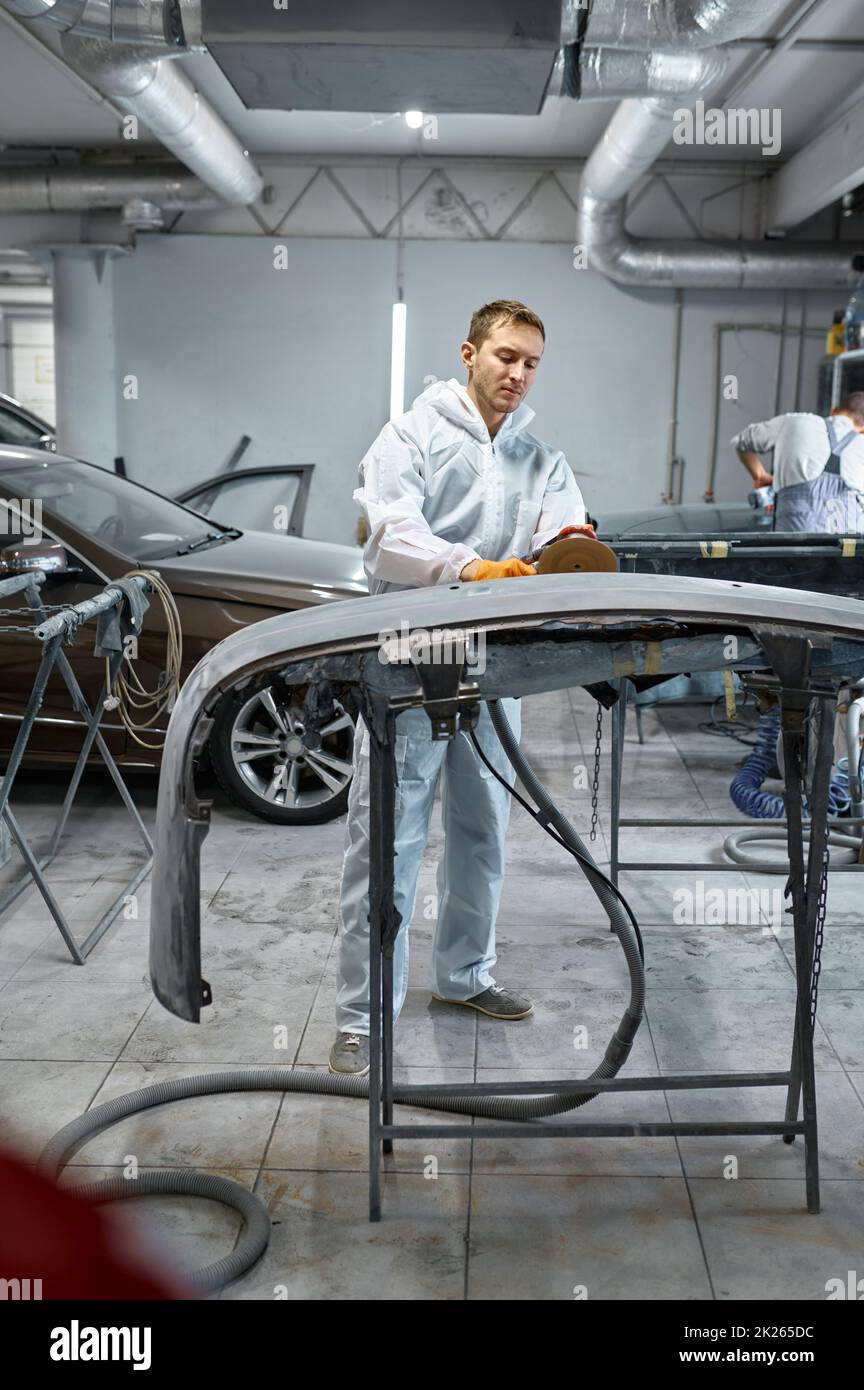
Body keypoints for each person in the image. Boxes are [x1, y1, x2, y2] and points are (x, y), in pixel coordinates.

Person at [329, 299, 593, 1075]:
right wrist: (469, 566)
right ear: (469, 352)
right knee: (387, 838)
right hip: (410, 657)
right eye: (506, 355)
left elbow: (562, 526)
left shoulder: (540, 456)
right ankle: (360, 1014)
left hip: (493, 662)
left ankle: (464, 977)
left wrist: (570, 542)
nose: (518, 372)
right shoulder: (409, 436)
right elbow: (388, 533)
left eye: (531, 362)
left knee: (483, 830)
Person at [733, 393, 864, 533]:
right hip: (848, 550)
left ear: (833, 411)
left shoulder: (794, 421)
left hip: (793, 547)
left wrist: (760, 475)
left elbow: (741, 441)